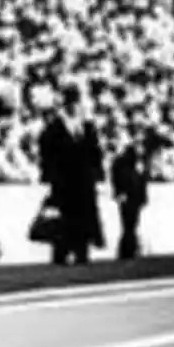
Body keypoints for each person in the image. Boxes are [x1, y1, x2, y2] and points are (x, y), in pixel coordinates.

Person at [38, 80, 106, 265]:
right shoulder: (55, 128)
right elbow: (47, 155)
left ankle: (82, 253)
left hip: (83, 184)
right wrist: (52, 178)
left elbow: (95, 153)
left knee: (83, 222)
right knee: (63, 223)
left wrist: (97, 175)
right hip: (65, 184)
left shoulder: (86, 126)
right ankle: (61, 255)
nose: (73, 105)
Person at [111, 126, 151, 260]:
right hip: (126, 195)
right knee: (128, 224)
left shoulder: (142, 159)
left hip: (136, 196)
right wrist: (119, 192)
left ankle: (129, 249)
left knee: (133, 223)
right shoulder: (124, 159)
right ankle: (127, 250)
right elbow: (116, 175)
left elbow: (143, 181)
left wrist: (144, 197)